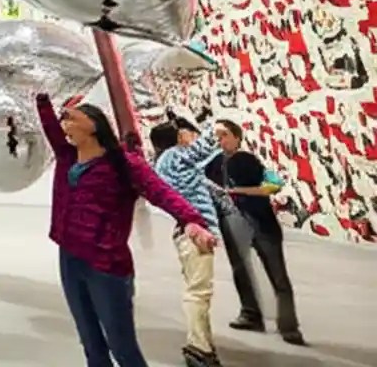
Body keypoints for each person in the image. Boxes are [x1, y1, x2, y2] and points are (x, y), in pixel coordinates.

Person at [36, 93, 217, 367]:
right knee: (91, 344)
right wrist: (42, 101)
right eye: (63, 118)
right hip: (70, 259)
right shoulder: (67, 157)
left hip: (106, 265)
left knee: (122, 348)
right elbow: (50, 125)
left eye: (72, 117)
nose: (65, 122)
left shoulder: (124, 163)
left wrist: (192, 220)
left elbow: (161, 192)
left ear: (94, 125)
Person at [204, 120, 304, 345]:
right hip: (232, 223)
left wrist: (238, 191)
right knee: (241, 270)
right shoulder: (212, 164)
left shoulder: (248, 160)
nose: (220, 140)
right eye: (216, 136)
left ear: (237, 137)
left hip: (261, 222)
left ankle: (289, 326)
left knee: (277, 274)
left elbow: (273, 185)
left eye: (225, 135)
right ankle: (250, 314)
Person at [150, 115, 224, 367]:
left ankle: (203, 344)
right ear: (177, 138)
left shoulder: (165, 162)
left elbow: (204, 169)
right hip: (195, 233)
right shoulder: (174, 157)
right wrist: (215, 125)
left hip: (188, 232)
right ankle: (199, 349)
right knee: (198, 293)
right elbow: (204, 147)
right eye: (183, 133)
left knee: (197, 289)